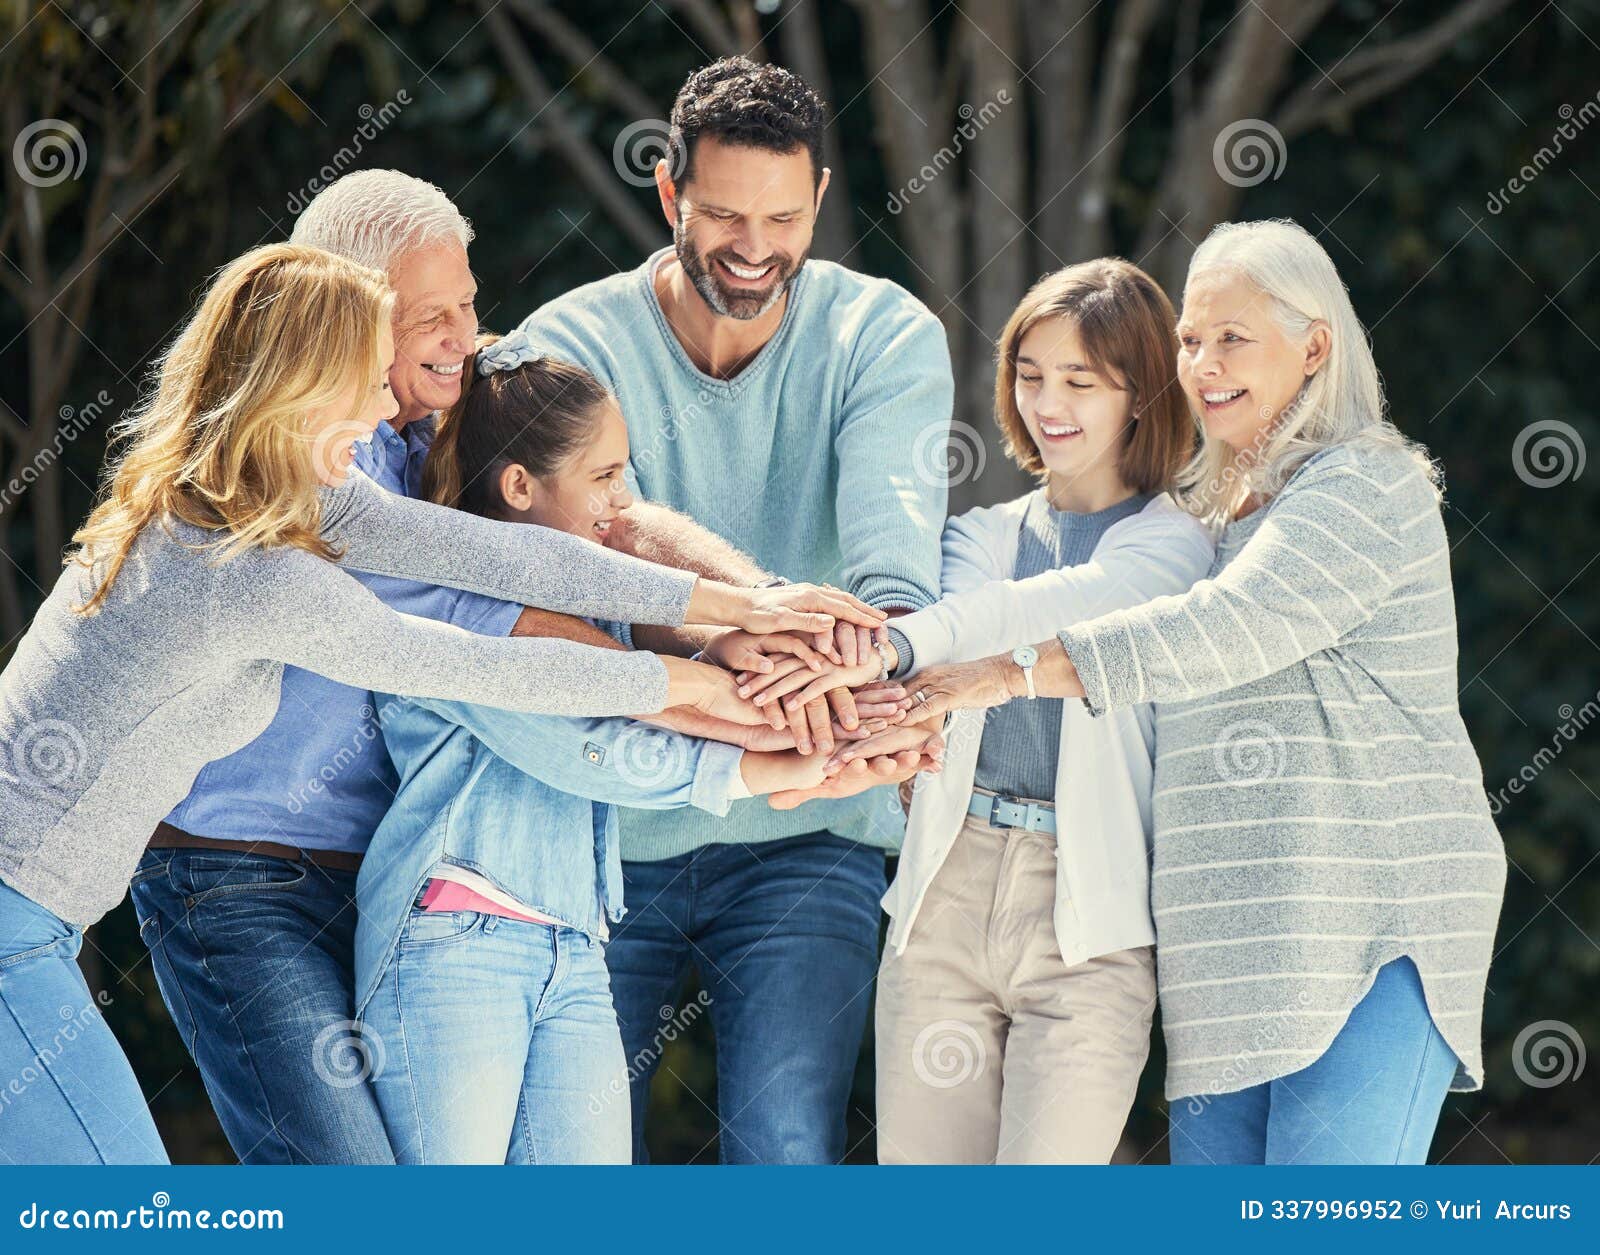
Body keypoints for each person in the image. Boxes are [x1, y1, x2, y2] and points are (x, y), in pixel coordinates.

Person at [0, 243, 876, 1166]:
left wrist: (741, 608)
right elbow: (473, 664)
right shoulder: (249, 572)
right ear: (305, 384)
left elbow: (503, 558)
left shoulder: (276, 498)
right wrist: (709, 687)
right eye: (366, 379)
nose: (390, 407)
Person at [882, 220, 1507, 1166]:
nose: (1204, 362)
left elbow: (1228, 628)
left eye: (1233, 337)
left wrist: (1002, 674)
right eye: (1191, 339)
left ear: (1315, 347)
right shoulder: (1212, 519)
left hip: (1366, 936)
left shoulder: (1366, 484)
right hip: (1224, 958)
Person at [353, 333, 943, 1163]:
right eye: (602, 476)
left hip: (575, 940)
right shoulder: (451, 603)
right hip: (457, 941)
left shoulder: (593, 608)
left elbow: (662, 666)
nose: (620, 501)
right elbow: (587, 744)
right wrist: (782, 757)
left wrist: (831, 723)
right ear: (519, 485)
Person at [519, 55, 951, 1166]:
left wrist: (872, 661)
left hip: (810, 816)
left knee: (784, 1150)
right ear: (669, 195)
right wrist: (751, 634)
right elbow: (582, 564)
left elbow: (893, 552)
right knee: (567, 1157)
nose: (752, 248)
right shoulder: (565, 348)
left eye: (781, 216)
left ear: (815, 202)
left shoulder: (883, 336)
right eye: (719, 216)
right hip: (611, 816)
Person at [869, 260, 1211, 1162]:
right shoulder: (981, 535)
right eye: (1030, 374)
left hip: (1089, 920)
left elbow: (1047, 612)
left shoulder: (1174, 547)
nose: (1046, 403)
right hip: (945, 895)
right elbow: (965, 631)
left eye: (1080, 381)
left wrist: (913, 648)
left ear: (1139, 394)